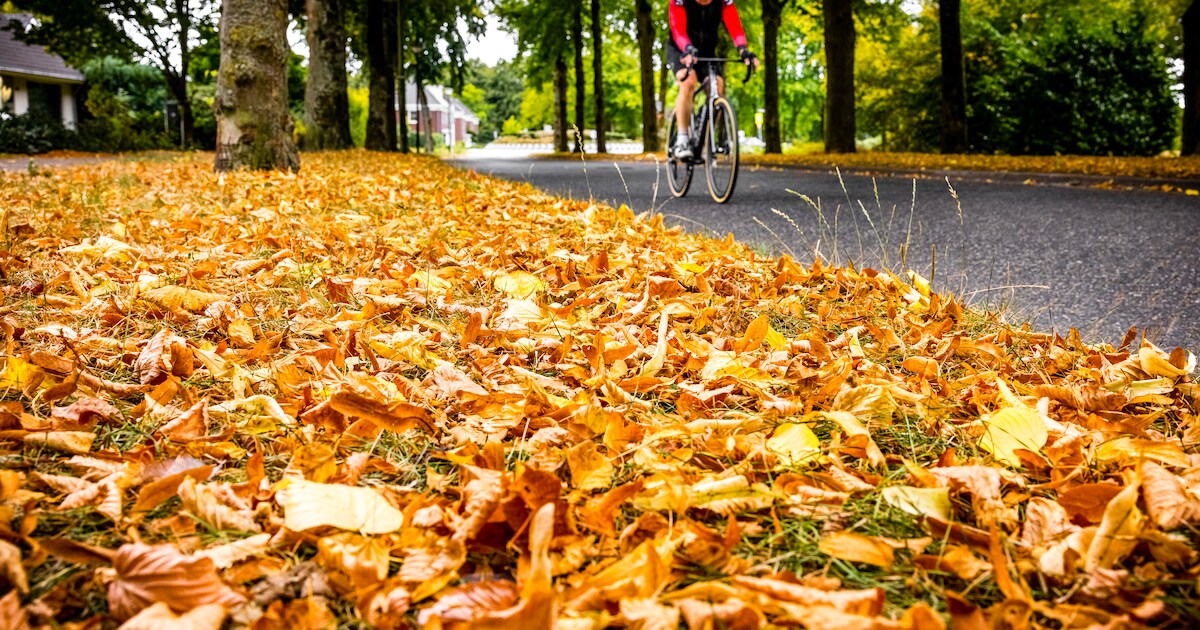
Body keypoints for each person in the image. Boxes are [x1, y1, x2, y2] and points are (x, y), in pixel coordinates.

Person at [667, 0, 760, 159]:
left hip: (707, 52)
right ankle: (682, 138)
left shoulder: (723, 1)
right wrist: (687, 48)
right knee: (688, 81)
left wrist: (743, 49)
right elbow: (677, 29)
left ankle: (705, 139)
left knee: (718, 86)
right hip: (680, 48)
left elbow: (735, 27)